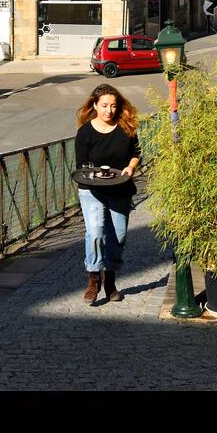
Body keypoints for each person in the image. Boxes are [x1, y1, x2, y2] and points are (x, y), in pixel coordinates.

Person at [74, 84, 141, 304]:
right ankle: (93, 281)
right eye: (104, 105)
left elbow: (136, 152)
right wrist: (92, 177)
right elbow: (82, 167)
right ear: (94, 105)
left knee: (118, 236)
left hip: (120, 188)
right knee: (95, 232)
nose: (108, 111)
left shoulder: (125, 128)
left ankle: (110, 281)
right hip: (92, 189)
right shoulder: (85, 132)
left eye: (113, 106)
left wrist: (130, 168)